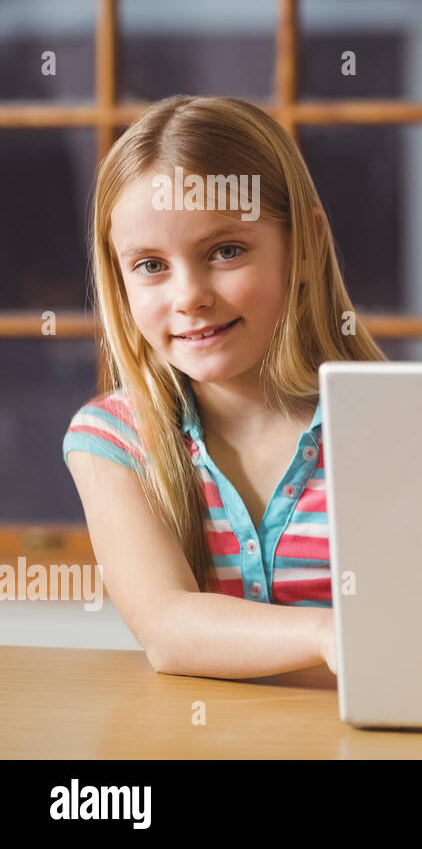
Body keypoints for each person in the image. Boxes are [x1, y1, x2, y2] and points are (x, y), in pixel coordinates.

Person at [62, 95, 385, 679]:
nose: (189, 296)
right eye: (151, 265)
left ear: (305, 245)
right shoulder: (113, 439)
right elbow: (168, 629)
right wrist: (328, 634)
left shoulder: (402, 425)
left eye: (226, 251)